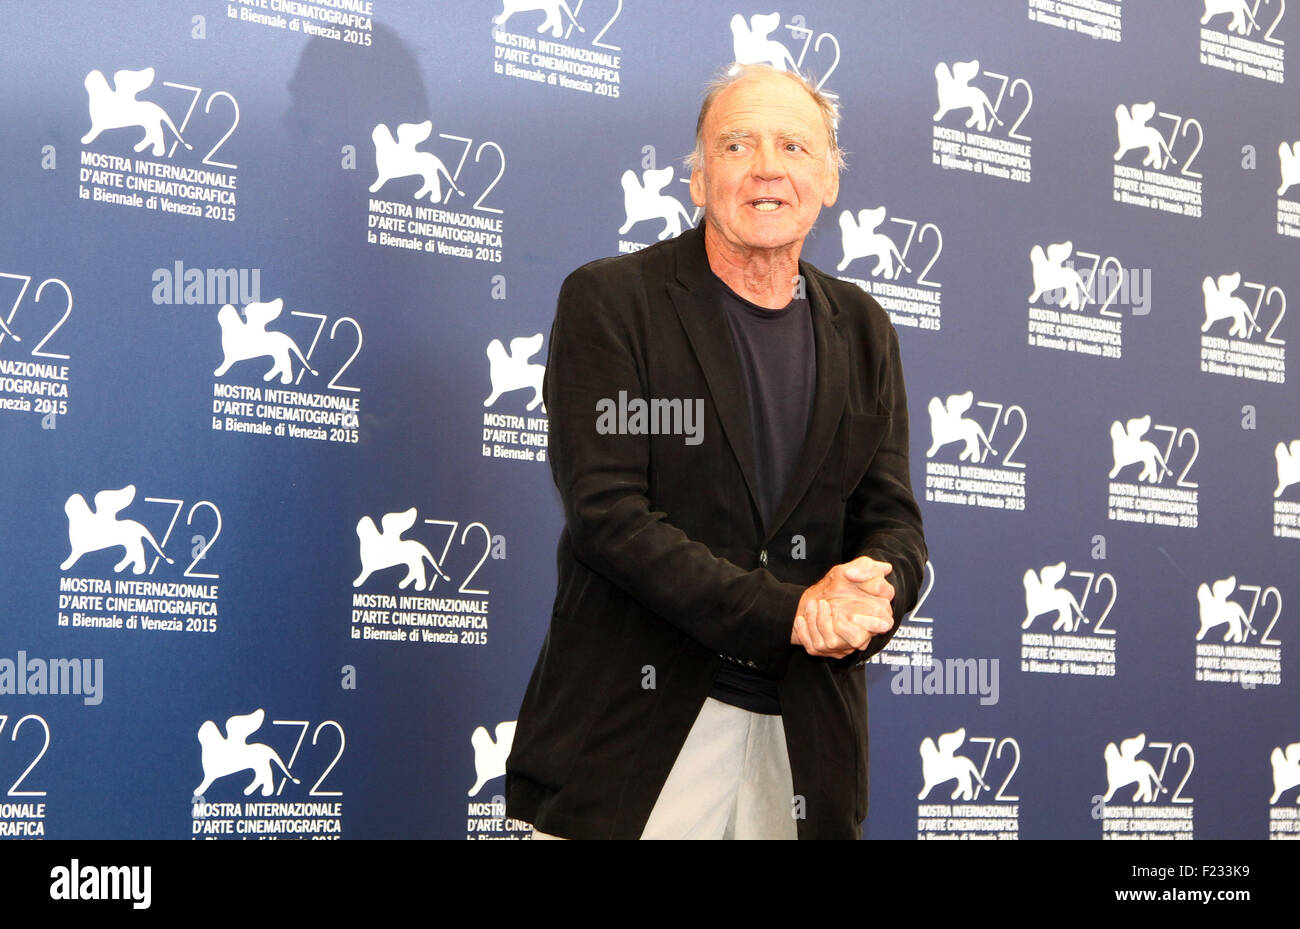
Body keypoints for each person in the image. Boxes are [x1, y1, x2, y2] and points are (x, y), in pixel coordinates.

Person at [505, 63, 927, 839]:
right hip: (635, 740)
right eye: (737, 144)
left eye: (796, 147)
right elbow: (610, 516)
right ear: (699, 178)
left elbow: (892, 518)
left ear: (830, 179)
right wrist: (789, 612)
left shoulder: (864, 328)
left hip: (804, 748)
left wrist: (877, 585)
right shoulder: (612, 301)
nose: (769, 166)